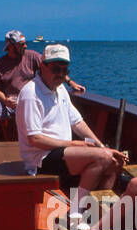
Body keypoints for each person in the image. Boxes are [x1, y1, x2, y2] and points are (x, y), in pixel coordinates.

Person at [16, 44, 124, 201]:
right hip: (41, 158)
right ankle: (77, 210)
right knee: (103, 159)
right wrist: (75, 144)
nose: (60, 74)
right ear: (43, 66)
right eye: (55, 69)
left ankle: (98, 214)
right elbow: (35, 139)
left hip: (62, 151)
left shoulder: (60, 89)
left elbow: (77, 122)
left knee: (112, 161)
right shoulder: (31, 94)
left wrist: (102, 146)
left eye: (64, 70)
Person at [0, 30, 85, 143]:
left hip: (29, 100)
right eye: (21, 44)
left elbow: (54, 68)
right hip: (7, 100)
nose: (25, 46)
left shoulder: (32, 56)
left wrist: (71, 83)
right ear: (11, 46)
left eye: (25, 43)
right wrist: (5, 100)